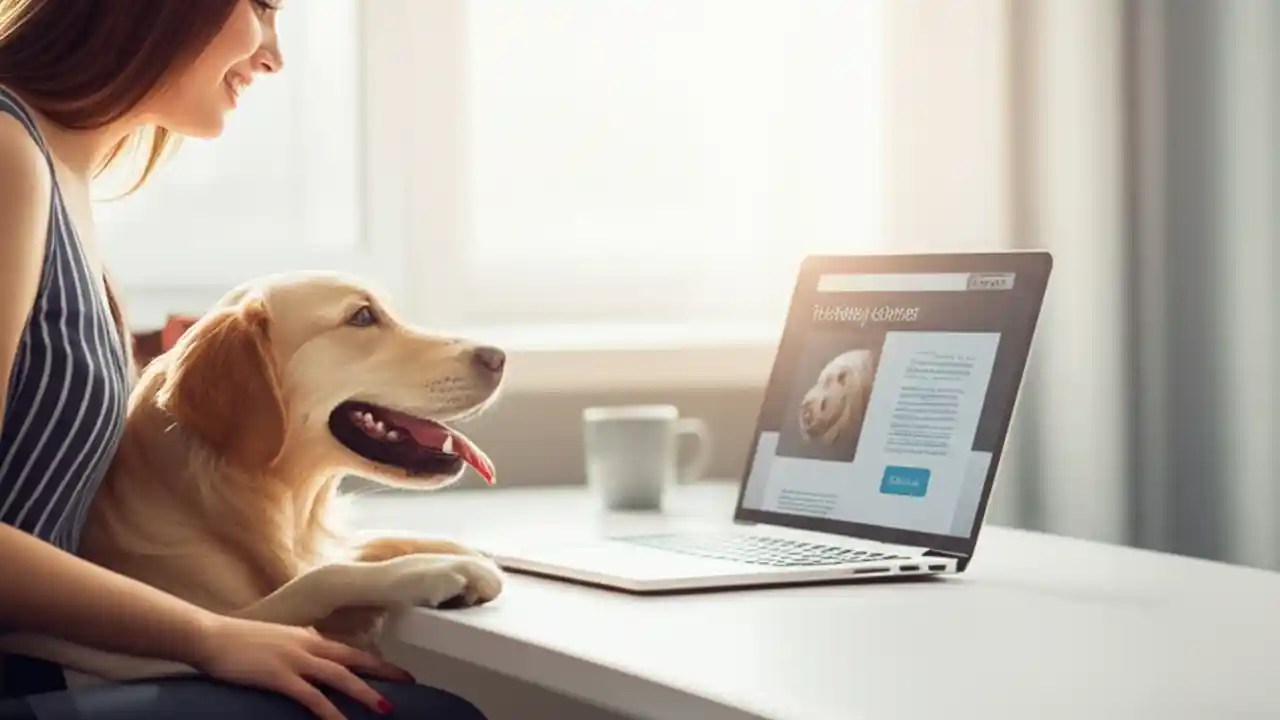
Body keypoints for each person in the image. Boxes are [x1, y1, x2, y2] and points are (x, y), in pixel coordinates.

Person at [0, 1, 485, 718]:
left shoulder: (54, 169)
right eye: (260, 6)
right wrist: (211, 637)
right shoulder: (8, 154)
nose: (272, 55)